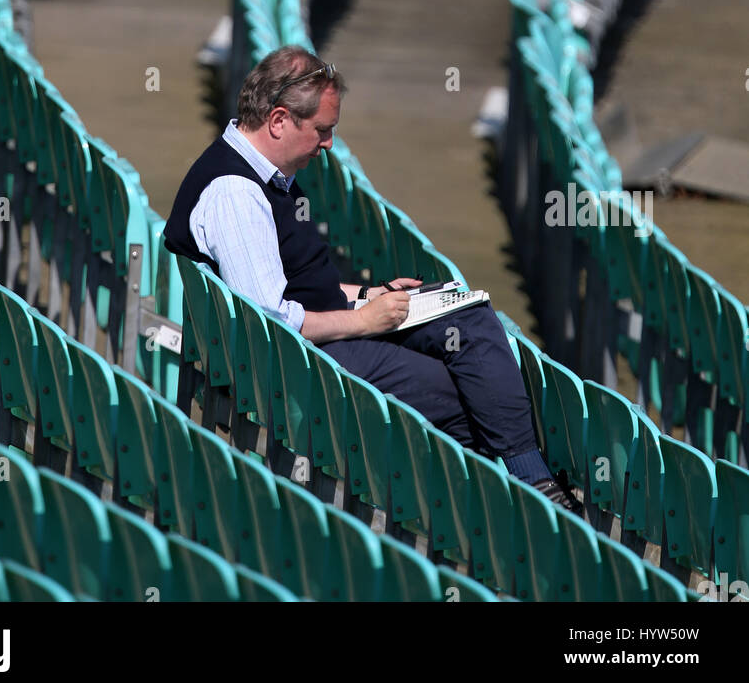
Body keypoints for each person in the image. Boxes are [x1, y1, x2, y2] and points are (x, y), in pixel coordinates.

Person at [165, 45, 580, 510]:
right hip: (296, 362)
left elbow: (291, 285)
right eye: (322, 131)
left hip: (322, 330)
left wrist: (370, 293)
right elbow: (271, 321)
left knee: (470, 319)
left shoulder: (266, 176)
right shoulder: (235, 192)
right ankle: (510, 509)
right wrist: (365, 321)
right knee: (454, 389)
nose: (328, 146)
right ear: (279, 121)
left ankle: (533, 482)